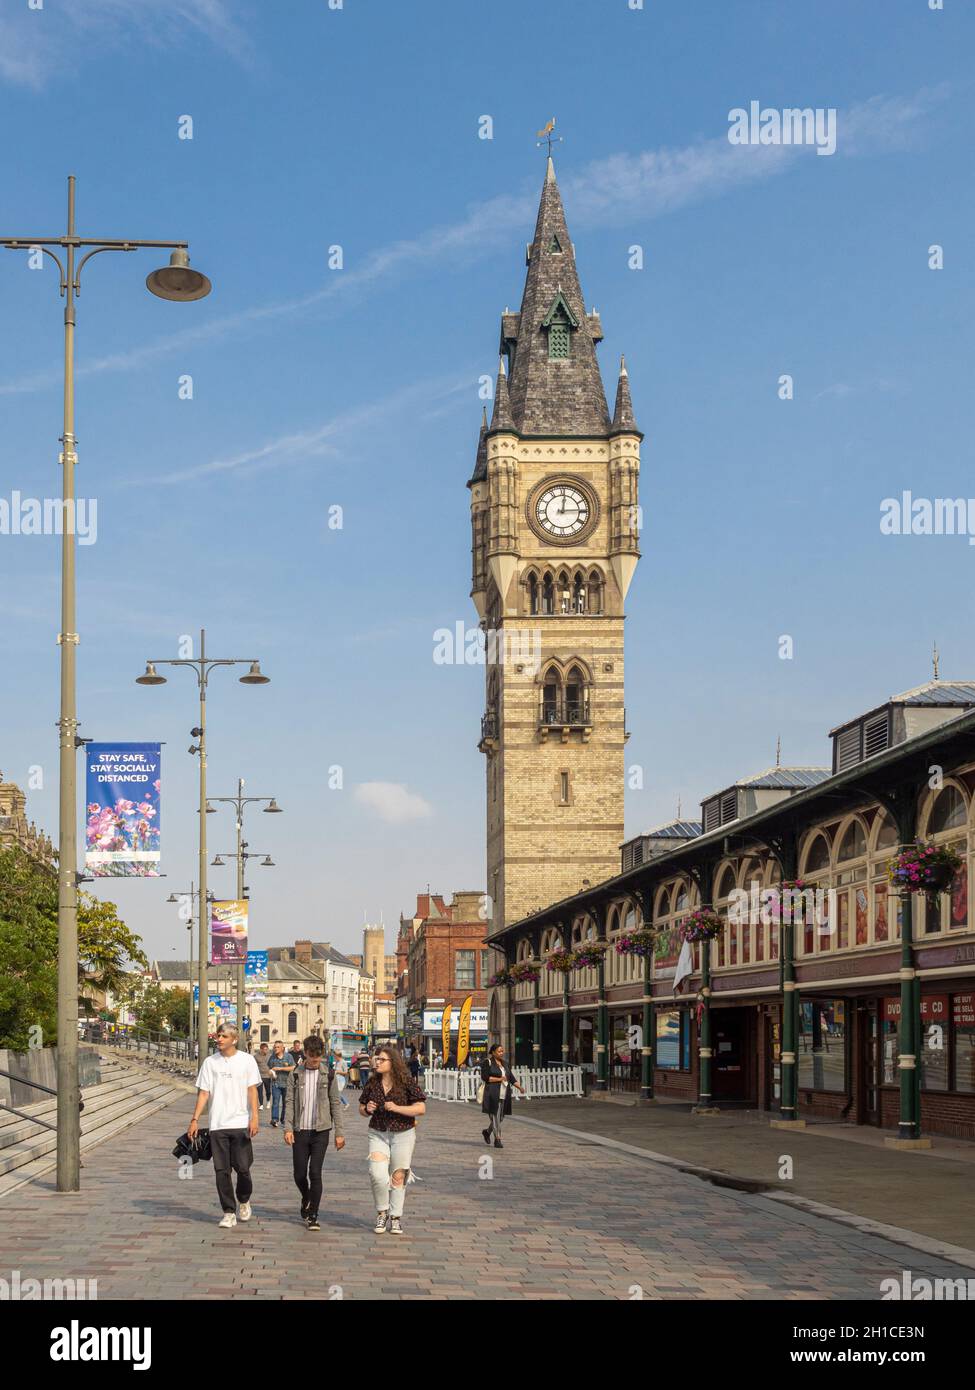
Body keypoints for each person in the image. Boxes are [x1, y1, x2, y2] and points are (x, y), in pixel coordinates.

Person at [188, 1022, 260, 1228]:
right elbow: (203, 1093)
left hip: (240, 1122)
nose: (219, 1039)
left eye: (223, 1036)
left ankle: (244, 1199)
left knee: (243, 1168)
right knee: (222, 1170)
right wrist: (194, 1120)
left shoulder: (247, 1061)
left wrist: (254, 1117)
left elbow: (252, 1091)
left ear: (234, 1039)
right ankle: (228, 1211)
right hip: (217, 1124)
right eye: (218, 1036)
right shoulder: (210, 1062)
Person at [359, 1046, 425, 1236]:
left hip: (403, 1133)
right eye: (376, 1059)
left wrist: (397, 1108)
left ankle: (395, 1217)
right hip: (378, 1132)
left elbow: (420, 1108)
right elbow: (361, 1109)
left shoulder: (406, 1082)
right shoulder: (372, 1083)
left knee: (398, 1176)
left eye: (381, 1059)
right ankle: (382, 1212)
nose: (377, 1062)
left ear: (392, 1063)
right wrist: (367, 1109)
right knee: (377, 1174)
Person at [284, 1033, 346, 1231]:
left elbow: (335, 1102)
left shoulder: (328, 1074)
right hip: (300, 1130)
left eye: (318, 1058)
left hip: (321, 1130)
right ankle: (306, 1197)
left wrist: (339, 1132)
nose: (314, 1061)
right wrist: (287, 1128)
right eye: (312, 1058)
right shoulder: (296, 1074)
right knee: (299, 1174)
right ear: (305, 1054)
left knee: (315, 1172)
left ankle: (313, 1214)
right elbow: (290, 1101)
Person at [480, 1042, 523, 1149]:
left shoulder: (505, 1063)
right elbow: (485, 1077)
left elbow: (511, 1078)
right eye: (499, 1051)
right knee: (494, 1116)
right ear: (493, 1052)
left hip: (504, 1093)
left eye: (502, 1051)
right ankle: (498, 1139)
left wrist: (520, 1087)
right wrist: (500, 1079)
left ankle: (487, 1132)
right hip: (492, 1093)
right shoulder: (487, 1062)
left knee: (501, 1117)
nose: (501, 1053)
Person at [268, 1040, 295, 1128]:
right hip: (276, 1083)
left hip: (287, 1083)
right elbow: (270, 1069)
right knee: (275, 1102)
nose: (276, 1048)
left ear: (282, 1048)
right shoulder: (272, 1057)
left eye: (278, 1047)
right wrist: (272, 1073)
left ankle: (284, 1119)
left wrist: (280, 1069)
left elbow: (293, 1067)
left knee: (285, 1103)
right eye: (275, 1047)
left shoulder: (288, 1056)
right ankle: (274, 1119)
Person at [254, 1042, 273, 1110]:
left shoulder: (270, 1055)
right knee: (260, 1091)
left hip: (267, 1076)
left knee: (268, 1090)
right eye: (264, 1049)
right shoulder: (256, 1056)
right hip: (259, 1076)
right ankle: (261, 1104)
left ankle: (268, 1101)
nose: (266, 1051)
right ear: (261, 1049)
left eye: (266, 1049)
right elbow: (254, 1066)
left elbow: (273, 1065)